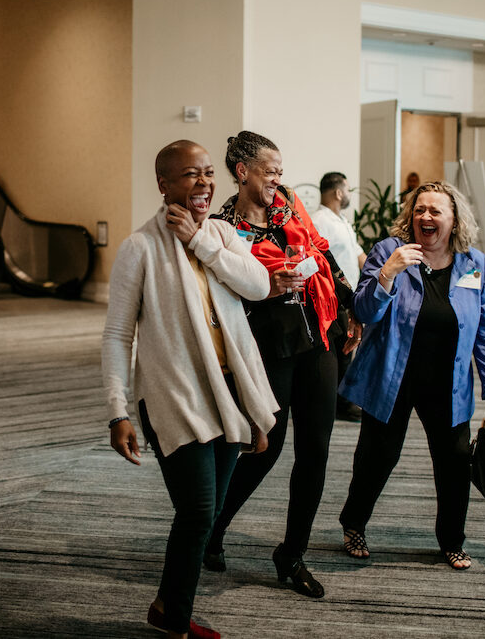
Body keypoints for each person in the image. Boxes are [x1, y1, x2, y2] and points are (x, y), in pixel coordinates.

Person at [102, 140, 278, 639]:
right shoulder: (140, 247)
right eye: (190, 174)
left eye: (208, 173)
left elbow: (259, 285)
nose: (203, 183)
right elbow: (117, 335)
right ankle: (175, 620)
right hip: (174, 396)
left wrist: (200, 241)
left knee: (208, 511)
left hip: (228, 393)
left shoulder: (219, 232)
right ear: (164, 185)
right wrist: (118, 411)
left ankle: (167, 606)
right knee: (199, 511)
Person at [205, 130, 361, 598]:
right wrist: (268, 284)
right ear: (243, 172)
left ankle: (292, 554)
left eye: (279, 171)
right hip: (267, 347)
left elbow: (322, 253)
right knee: (264, 449)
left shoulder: (289, 204)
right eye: (270, 171)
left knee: (316, 451)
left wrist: (350, 305)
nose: (277, 179)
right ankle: (212, 527)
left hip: (318, 339)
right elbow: (222, 293)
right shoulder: (222, 227)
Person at [338, 180, 485, 570]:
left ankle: (452, 540)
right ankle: (354, 524)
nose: (425, 216)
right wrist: (389, 272)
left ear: (454, 220)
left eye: (435, 211)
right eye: (419, 209)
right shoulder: (389, 251)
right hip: (392, 378)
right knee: (377, 458)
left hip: (448, 381)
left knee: (454, 462)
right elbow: (363, 312)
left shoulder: (473, 264)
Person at [311, 172, 367, 421]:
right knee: (338, 352)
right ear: (338, 192)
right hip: (331, 298)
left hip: (348, 298)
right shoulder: (319, 221)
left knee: (346, 351)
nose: (349, 195)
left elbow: (357, 253)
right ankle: (336, 403)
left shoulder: (342, 221)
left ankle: (341, 401)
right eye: (348, 190)